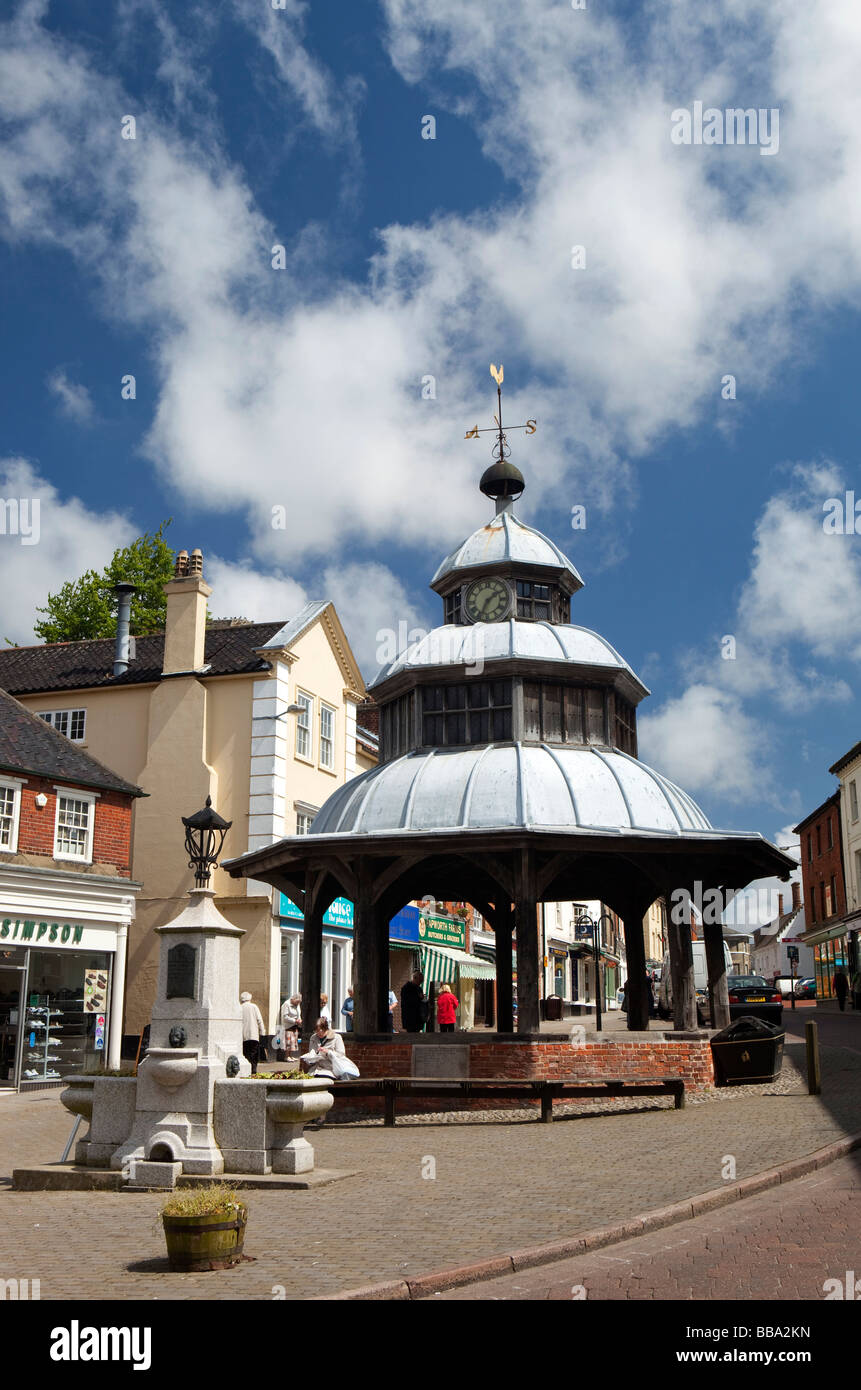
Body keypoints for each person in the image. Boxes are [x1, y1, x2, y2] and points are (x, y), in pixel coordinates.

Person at [302, 1016, 346, 1082]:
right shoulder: (313, 1038)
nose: (317, 1033)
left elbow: (341, 1055)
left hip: (330, 1070)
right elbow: (311, 1053)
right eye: (315, 1031)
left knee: (321, 1080)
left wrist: (328, 1052)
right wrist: (310, 1059)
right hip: (315, 1070)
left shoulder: (337, 1037)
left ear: (325, 1028)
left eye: (319, 1030)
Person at [240, 991, 265, 1075]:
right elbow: (259, 1020)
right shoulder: (254, 1006)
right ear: (249, 998)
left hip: (243, 1036)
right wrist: (262, 1032)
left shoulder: (240, 1007)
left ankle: (247, 1071)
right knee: (254, 1054)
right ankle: (253, 1070)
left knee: (246, 1053)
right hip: (253, 1035)